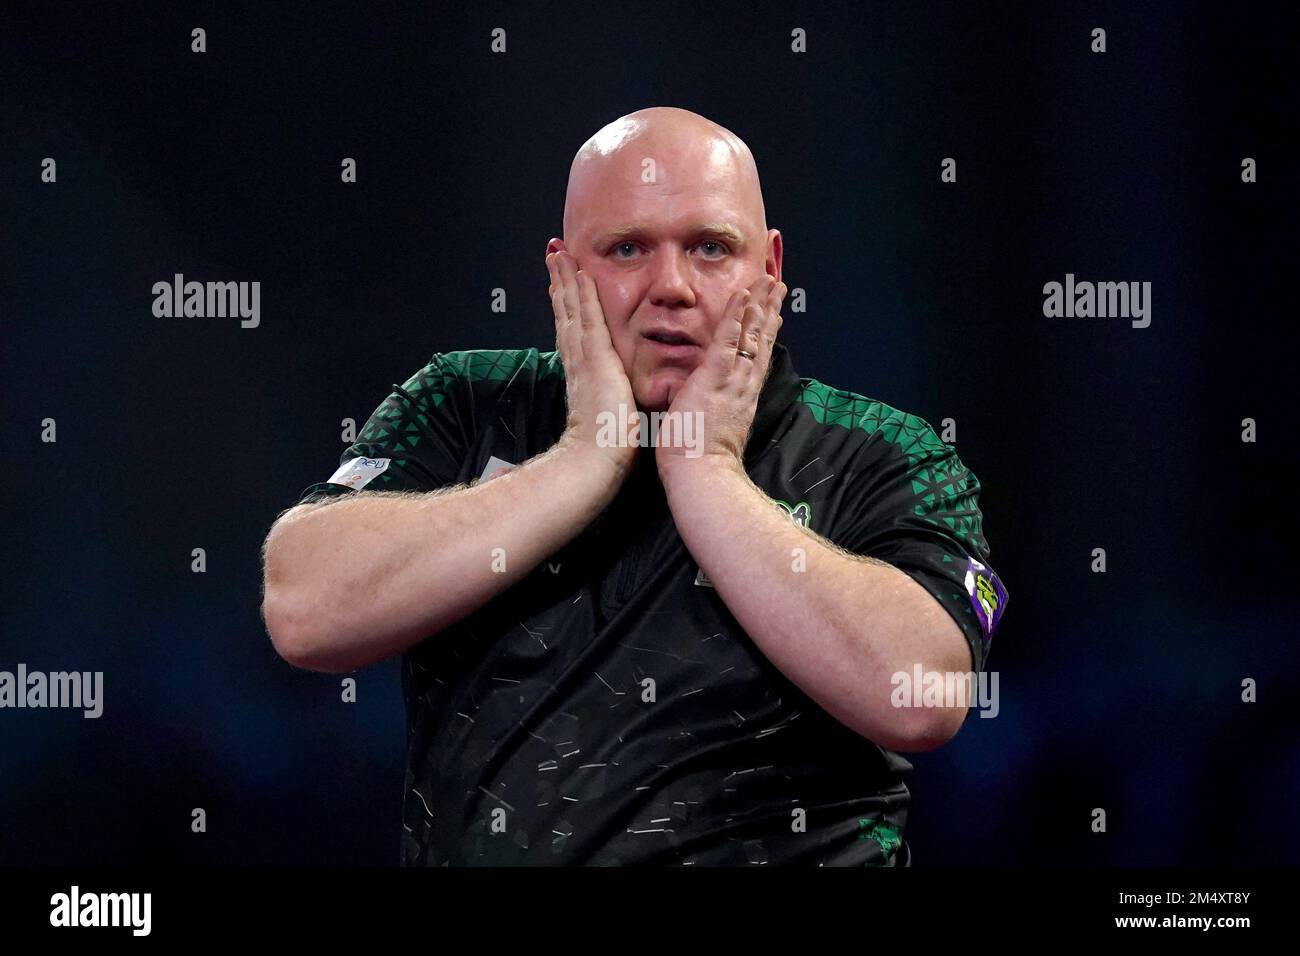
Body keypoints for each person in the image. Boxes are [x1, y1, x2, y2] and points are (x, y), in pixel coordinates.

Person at [260, 106, 1008, 865]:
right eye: (628, 249)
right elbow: (304, 612)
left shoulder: (879, 450)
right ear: (564, 271)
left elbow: (925, 698)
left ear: (771, 267)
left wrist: (706, 470)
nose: (671, 286)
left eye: (711, 248)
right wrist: (583, 457)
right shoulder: (470, 404)